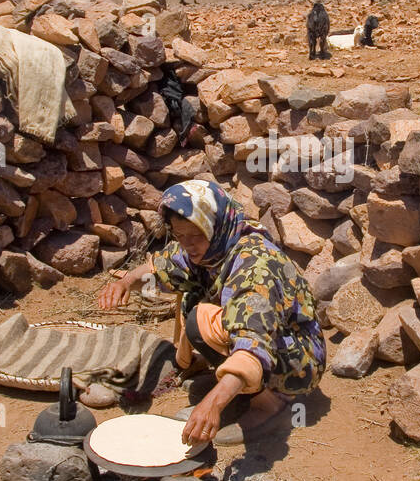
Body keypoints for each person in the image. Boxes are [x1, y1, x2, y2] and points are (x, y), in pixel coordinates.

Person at [97, 179, 325, 445]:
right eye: (180, 236)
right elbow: (161, 269)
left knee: (200, 320)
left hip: (295, 356)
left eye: (196, 235)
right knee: (192, 295)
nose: (188, 244)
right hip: (264, 341)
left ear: (214, 224)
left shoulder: (255, 264)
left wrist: (213, 405)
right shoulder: (211, 248)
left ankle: (269, 405)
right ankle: (232, 384)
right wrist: (125, 283)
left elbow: (254, 342)